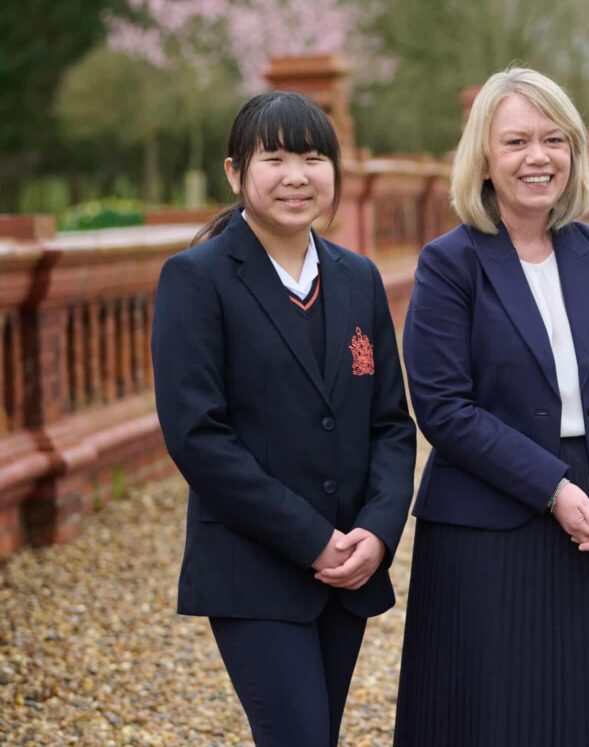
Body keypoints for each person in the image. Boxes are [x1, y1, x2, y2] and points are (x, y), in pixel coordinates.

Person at [393, 67, 589, 747]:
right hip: (487, 523)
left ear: (574, 152)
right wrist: (553, 489)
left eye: (554, 139)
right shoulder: (449, 264)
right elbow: (443, 407)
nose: (537, 157)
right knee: (498, 719)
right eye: (516, 141)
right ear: (484, 159)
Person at [151, 91, 417, 747]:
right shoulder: (197, 279)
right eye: (274, 158)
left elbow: (391, 422)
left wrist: (378, 531)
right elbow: (198, 436)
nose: (297, 175)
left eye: (312, 157)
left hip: (349, 567)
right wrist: (312, 538)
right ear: (234, 172)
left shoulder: (357, 278)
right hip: (253, 566)